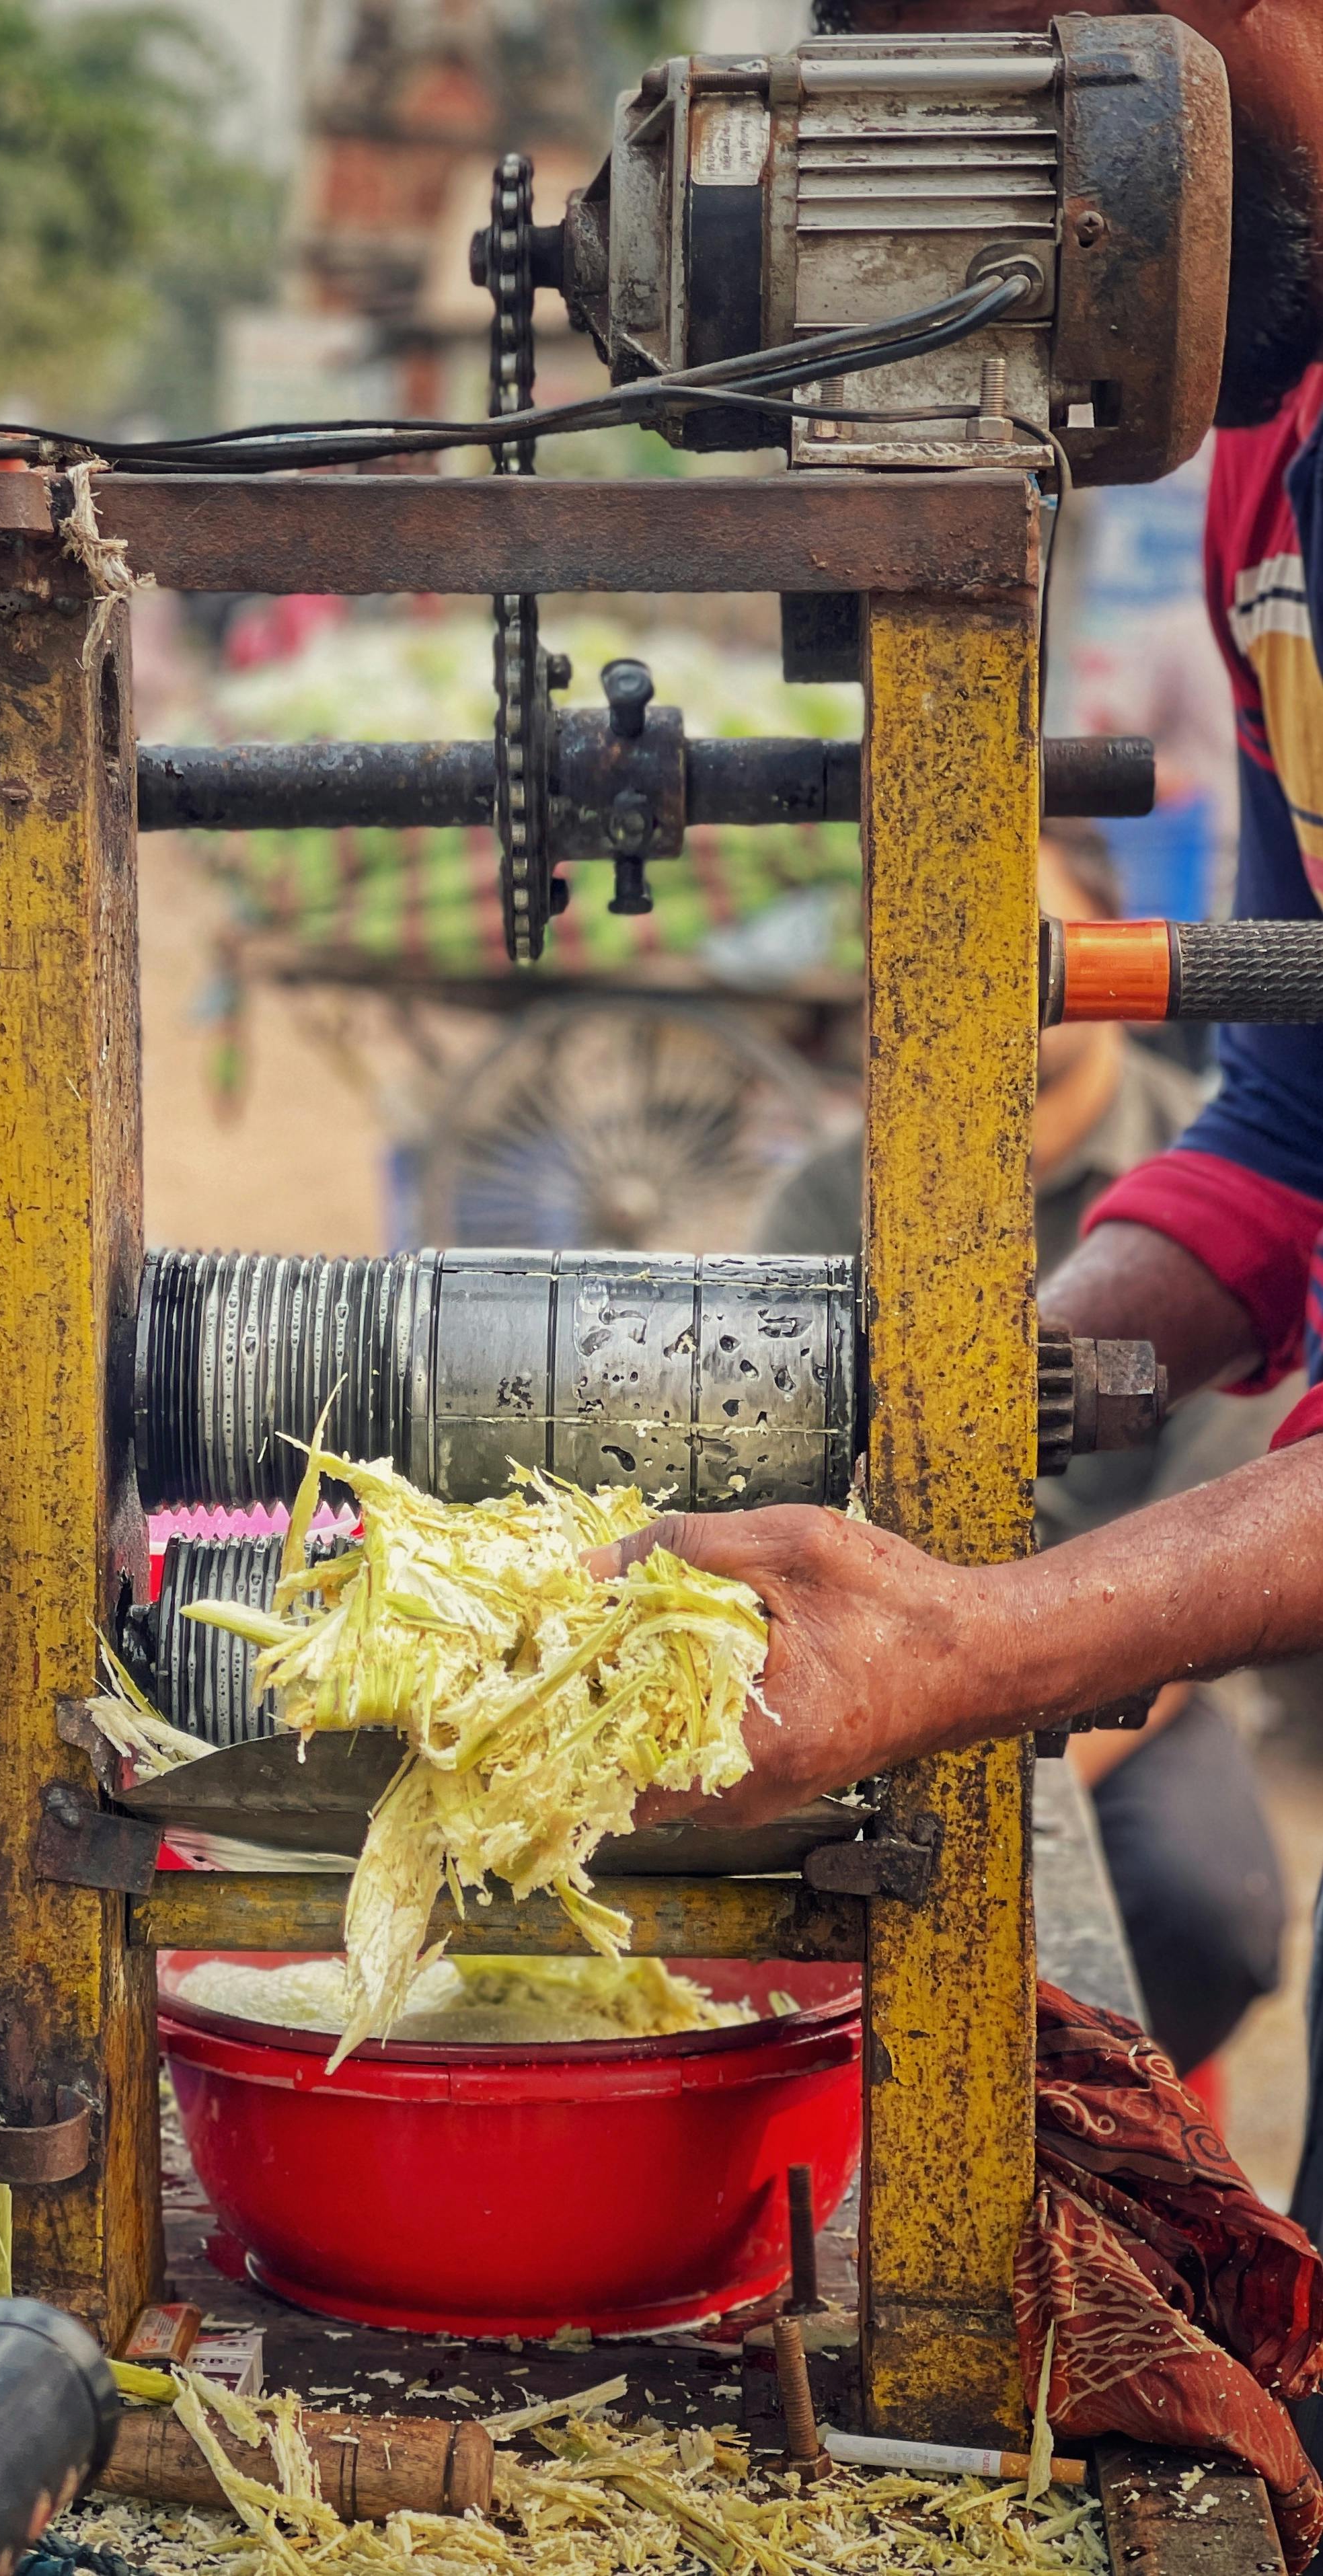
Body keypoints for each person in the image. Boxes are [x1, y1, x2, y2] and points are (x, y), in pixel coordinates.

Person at [593, 0, 1323, 2229]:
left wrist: (977, 1642)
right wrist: (961, 1384)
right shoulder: (1262, 432)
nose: (999, 148)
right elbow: (1295, 1100)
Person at [752, 821, 1289, 2084]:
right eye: (937, 946)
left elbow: (1223, 1532)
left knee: (1206, 1908)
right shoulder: (827, 1199)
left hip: (1142, 1663)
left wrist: (993, 1733)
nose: (974, 977)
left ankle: (1095, 2131)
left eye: (1017, 941)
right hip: (869, 1656)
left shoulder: (1220, 1174)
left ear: (1097, 954)